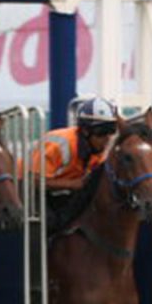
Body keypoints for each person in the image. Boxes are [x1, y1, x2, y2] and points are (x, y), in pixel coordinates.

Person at [34, 95, 118, 232]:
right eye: (102, 132)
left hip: (58, 192)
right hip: (26, 189)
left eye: (111, 131)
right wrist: (73, 184)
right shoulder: (58, 144)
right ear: (85, 131)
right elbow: (34, 181)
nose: (107, 138)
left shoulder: (98, 151)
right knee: (48, 223)